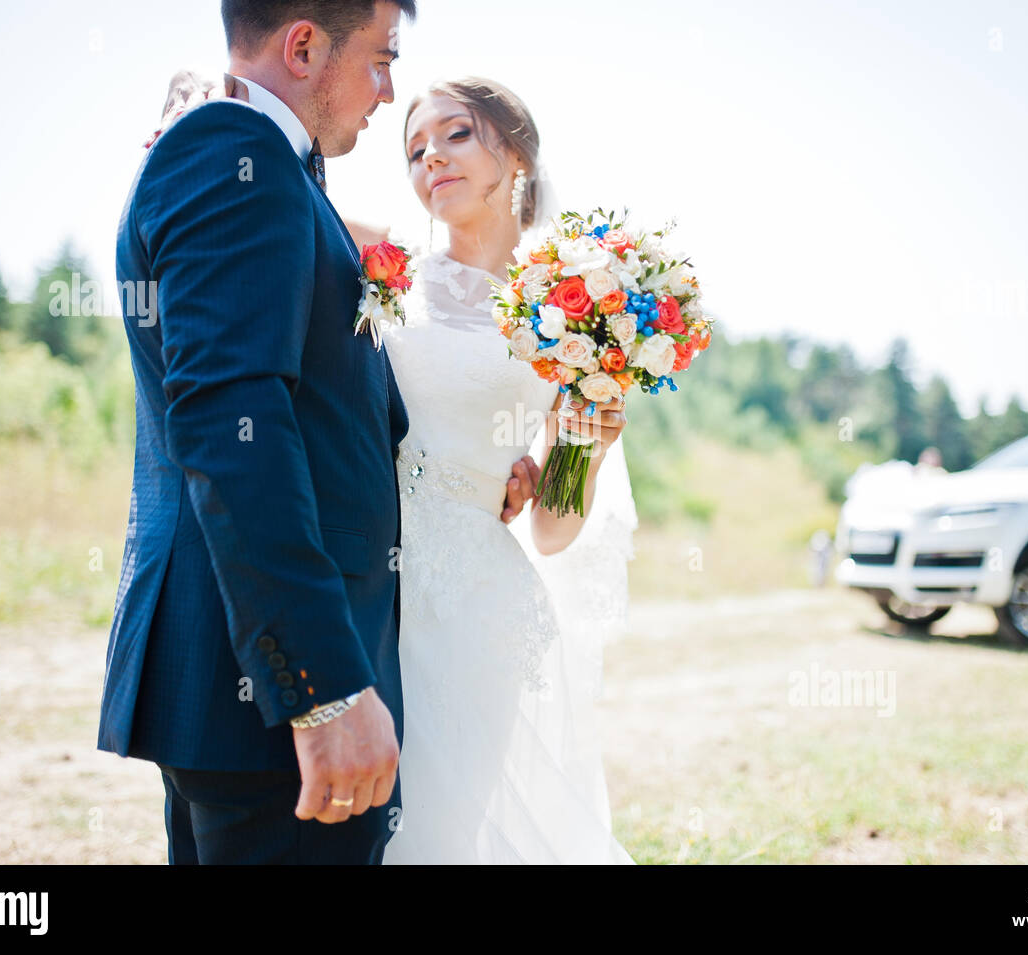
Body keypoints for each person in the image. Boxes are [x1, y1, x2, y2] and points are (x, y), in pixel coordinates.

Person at [98, 0, 439, 865]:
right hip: (262, 700)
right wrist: (319, 689)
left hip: (248, 686)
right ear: (303, 45)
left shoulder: (269, 166)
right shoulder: (233, 152)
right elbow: (229, 423)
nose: (388, 90)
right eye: (380, 57)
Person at [368, 78, 636, 863]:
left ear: (512, 151)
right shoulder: (382, 270)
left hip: (474, 603)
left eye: (455, 135)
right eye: (415, 148)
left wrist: (587, 449)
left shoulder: (571, 314)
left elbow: (552, 531)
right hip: (365, 580)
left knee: (441, 834)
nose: (431, 159)